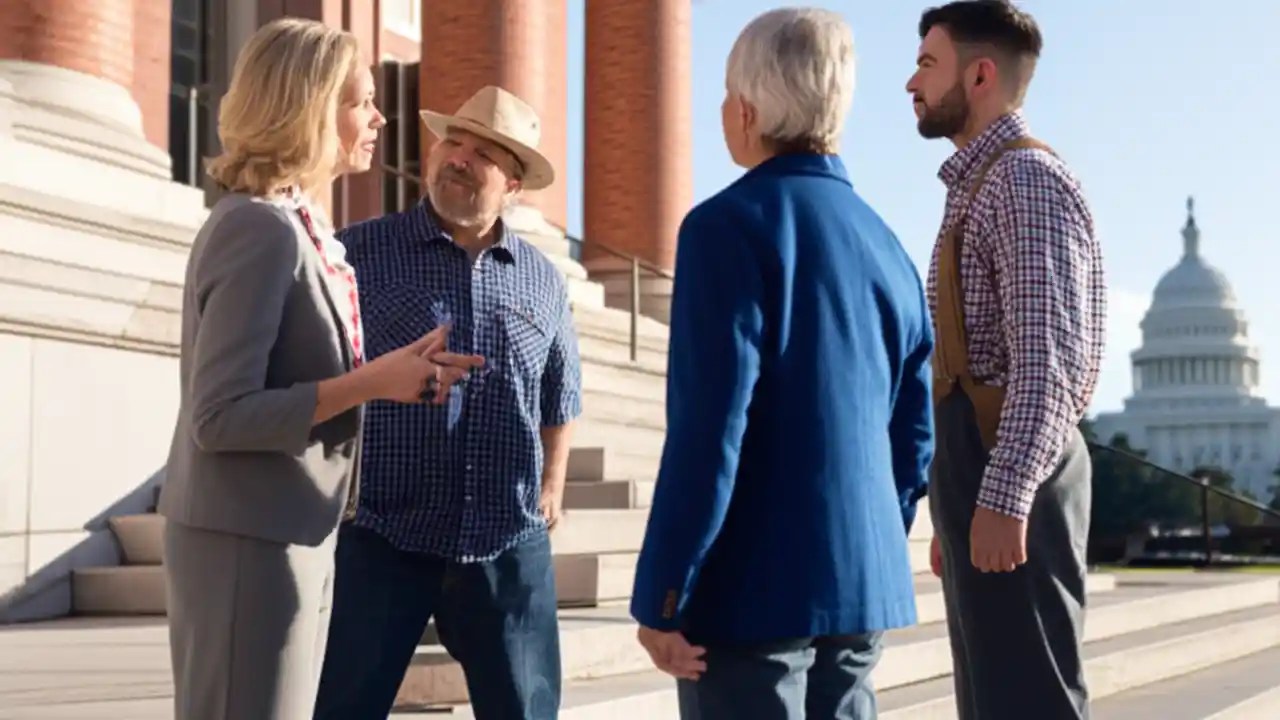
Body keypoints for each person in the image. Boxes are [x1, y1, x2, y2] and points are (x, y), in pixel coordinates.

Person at [158, 18, 483, 720]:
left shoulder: (299, 226)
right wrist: (374, 380)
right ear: (310, 109)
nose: (380, 117)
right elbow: (219, 416)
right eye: (361, 101)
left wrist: (395, 372)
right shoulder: (258, 229)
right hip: (250, 543)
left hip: (292, 531)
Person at [629, 8, 935, 719]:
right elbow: (913, 440)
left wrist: (664, 595)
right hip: (862, 587)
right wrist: (871, 539)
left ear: (746, 109)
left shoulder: (724, 228)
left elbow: (710, 432)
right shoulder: (889, 246)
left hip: (747, 596)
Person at [313, 85, 582, 720]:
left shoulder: (544, 279)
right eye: (452, 142)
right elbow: (316, 374)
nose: (458, 157)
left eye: (484, 152)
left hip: (507, 541)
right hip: (384, 531)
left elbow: (561, 389)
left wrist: (553, 482)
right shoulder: (358, 253)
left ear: (513, 183)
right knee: (342, 708)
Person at [905, 2, 1106, 718]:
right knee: (996, 698)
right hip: (982, 464)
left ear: (981, 74)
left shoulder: (1024, 181)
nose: (911, 82)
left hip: (1010, 465)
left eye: (929, 63)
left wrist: (1003, 495)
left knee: (1031, 700)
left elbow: (1048, 358)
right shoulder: (984, 182)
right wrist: (955, 505)